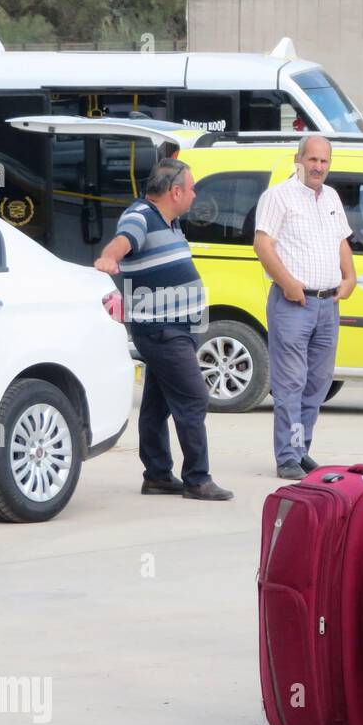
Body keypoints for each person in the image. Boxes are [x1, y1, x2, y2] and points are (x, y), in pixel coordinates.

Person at [95, 159, 232, 501]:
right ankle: (197, 479)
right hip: (162, 330)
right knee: (194, 398)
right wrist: (109, 258)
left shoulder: (170, 221)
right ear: (175, 191)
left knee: (157, 405)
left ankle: (157, 476)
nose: (195, 194)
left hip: (176, 329)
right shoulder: (140, 216)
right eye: (192, 188)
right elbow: (122, 241)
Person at [253, 135, 356, 480]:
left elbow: (341, 241)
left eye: (324, 161)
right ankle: (287, 456)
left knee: (318, 383)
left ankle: (300, 449)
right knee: (291, 382)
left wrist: (350, 276)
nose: (318, 167)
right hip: (293, 303)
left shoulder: (331, 197)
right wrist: (288, 283)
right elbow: (262, 244)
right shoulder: (278, 196)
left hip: (327, 303)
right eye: (312, 159)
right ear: (298, 160)